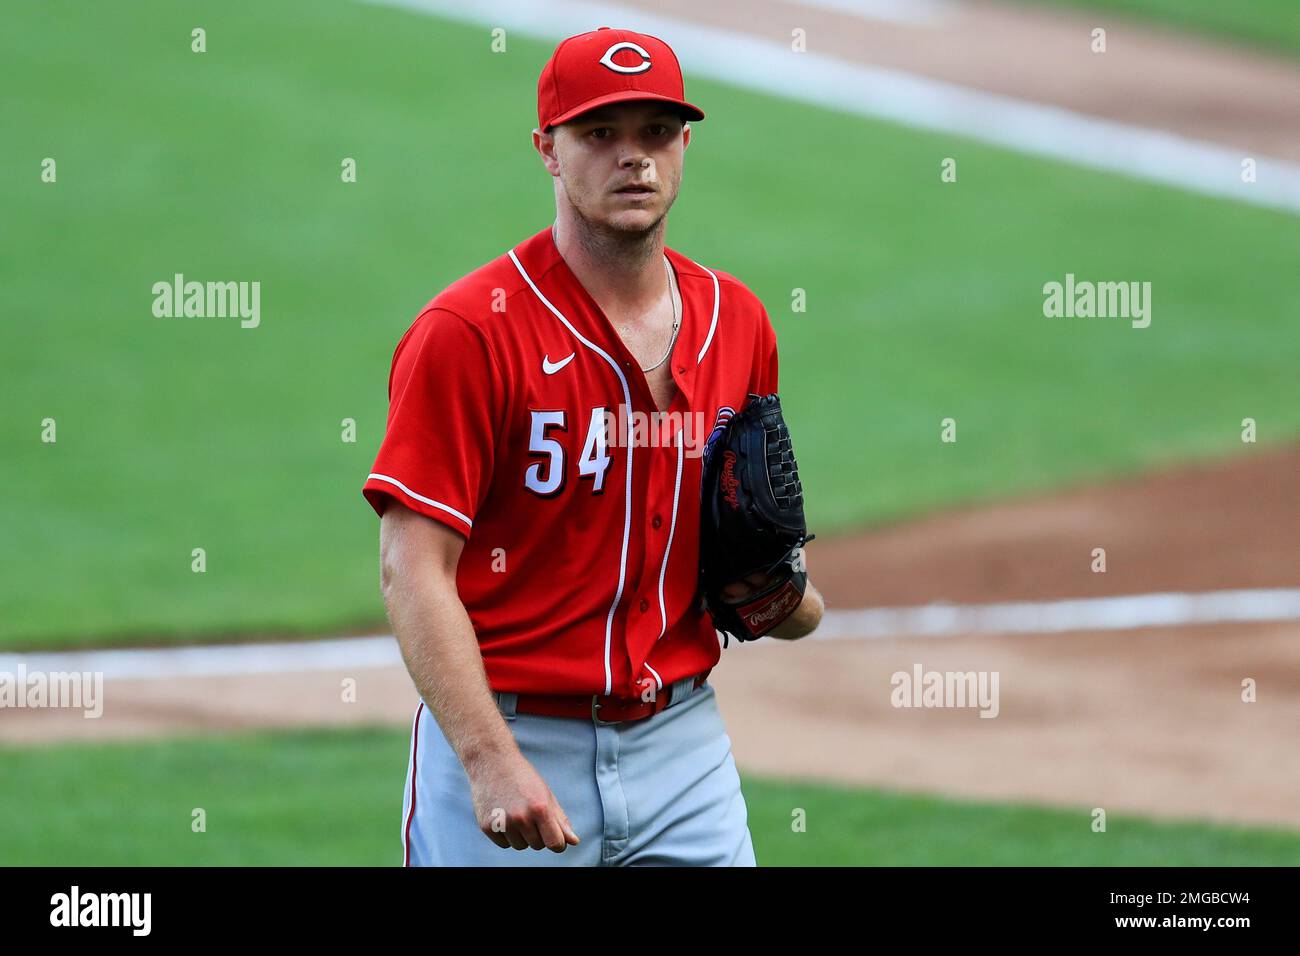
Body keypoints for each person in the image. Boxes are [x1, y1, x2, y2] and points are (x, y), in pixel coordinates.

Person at [362, 26, 823, 867]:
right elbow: (411, 566)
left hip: (682, 746)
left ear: (684, 144)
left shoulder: (740, 322)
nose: (633, 158)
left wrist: (778, 588)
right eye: (600, 134)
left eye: (655, 133)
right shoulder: (467, 332)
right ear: (547, 148)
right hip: (511, 736)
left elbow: (740, 533)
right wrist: (489, 758)